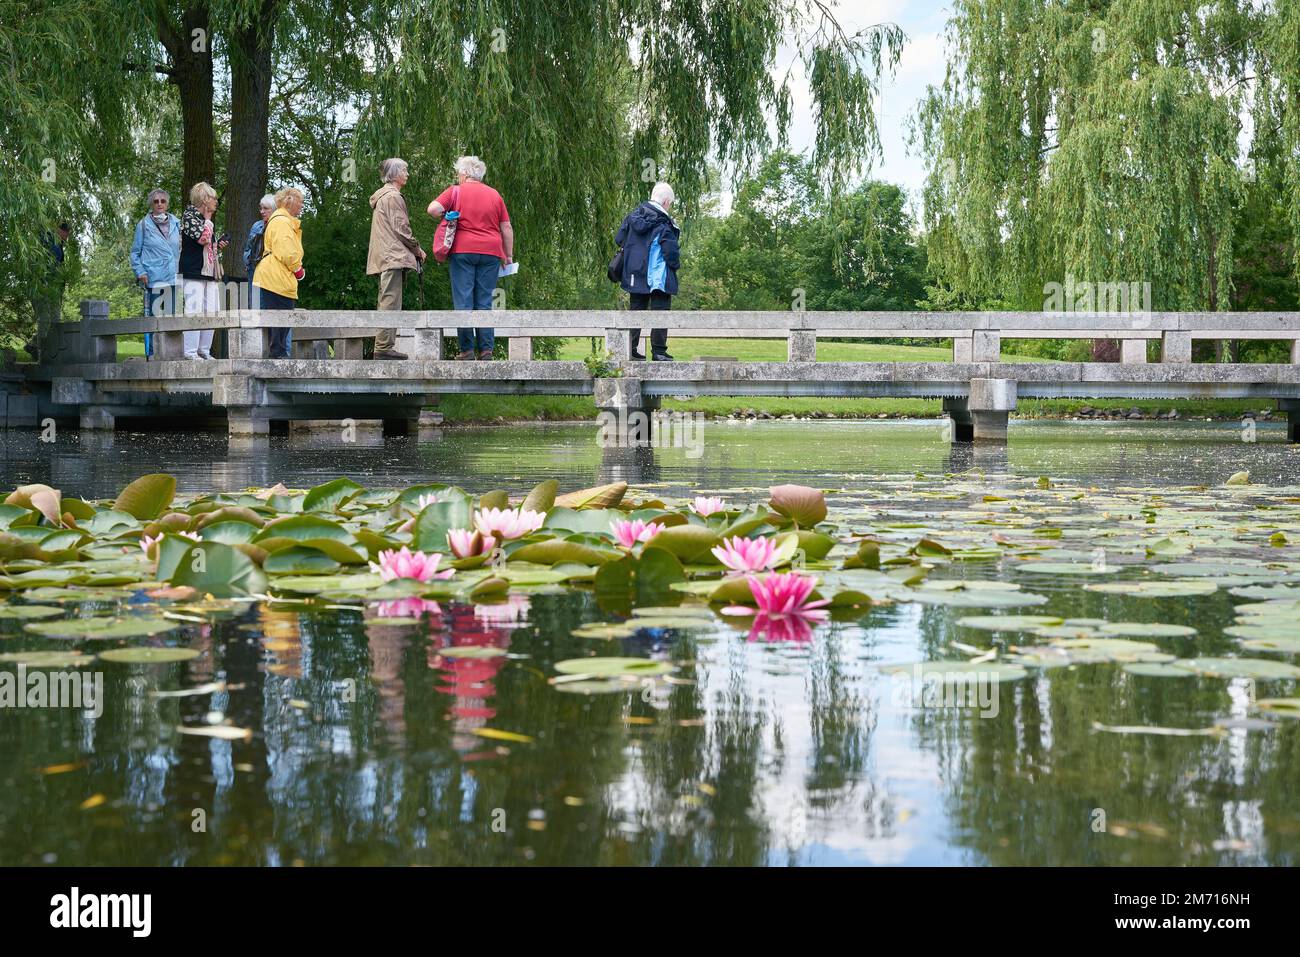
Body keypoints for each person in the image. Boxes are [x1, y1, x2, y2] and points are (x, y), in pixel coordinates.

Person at [427, 155, 513, 360]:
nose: (458, 176)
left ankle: (466, 351)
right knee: (485, 301)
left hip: (463, 251)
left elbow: (432, 209)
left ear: (465, 173)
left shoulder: (456, 191)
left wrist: (446, 214)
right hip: (491, 252)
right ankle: (486, 350)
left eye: (459, 172)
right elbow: (506, 227)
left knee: (463, 299)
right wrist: (508, 255)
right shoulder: (494, 195)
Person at [366, 158, 425, 359]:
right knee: (390, 300)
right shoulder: (393, 197)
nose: (407, 174)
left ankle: (384, 346)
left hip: (386, 255)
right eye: (405, 171)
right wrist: (417, 250)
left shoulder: (384, 197)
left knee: (388, 299)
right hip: (392, 256)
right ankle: (383, 348)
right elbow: (402, 229)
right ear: (395, 174)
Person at [614, 182, 680, 361]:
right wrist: (675, 265)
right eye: (670, 203)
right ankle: (658, 351)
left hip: (635, 274)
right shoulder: (664, 222)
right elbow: (671, 252)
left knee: (636, 312)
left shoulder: (632, 217)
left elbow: (619, 239)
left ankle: (631, 349)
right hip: (658, 277)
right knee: (660, 312)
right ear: (666, 201)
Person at [253, 187, 306, 359]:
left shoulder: (280, 220)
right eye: (300, 202)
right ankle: (278, 355)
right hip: (276, 276)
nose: (302, 206)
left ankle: (279, 353)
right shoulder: (283, 221)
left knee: (281, 318)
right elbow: (287, 252)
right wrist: (298, 270)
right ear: (290, 201)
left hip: (275, 275)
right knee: (281, 318)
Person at [179, 182, 228, 360]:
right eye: (213, 198)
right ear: (205, 199)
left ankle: (203, 350)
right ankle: (190, 352)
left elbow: (208, 246)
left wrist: (218, 244)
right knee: (194, 310)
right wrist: (207, 219)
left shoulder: (206, 219)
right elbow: (203, 238)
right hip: (193, 271)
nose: (216, 202)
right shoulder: (190, 215)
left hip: (208, 273)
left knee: (212, 310)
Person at [130, 189, 181, 360]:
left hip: (172, 277)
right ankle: (151, 354)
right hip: (152, 278)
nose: (159, 204)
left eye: (163, 201)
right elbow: (135, 253)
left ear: (167, 203)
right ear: (151, 204)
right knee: (152, 318)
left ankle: (170, 353)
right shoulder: (143, 225)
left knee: (171, 317)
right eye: (156, 201)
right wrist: (140, 272)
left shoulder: (177, 223)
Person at [28, 222, 71, 362]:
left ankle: (34, 344)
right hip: (45, 287)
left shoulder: (58, 245)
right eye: (66, 234)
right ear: (60, 231)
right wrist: (43, 282)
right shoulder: (47, 240)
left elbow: (58, 267)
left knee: (55, 320)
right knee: (46, 319)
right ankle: (40, 353)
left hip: (54, 288)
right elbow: (40, 263)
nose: (67, 238)